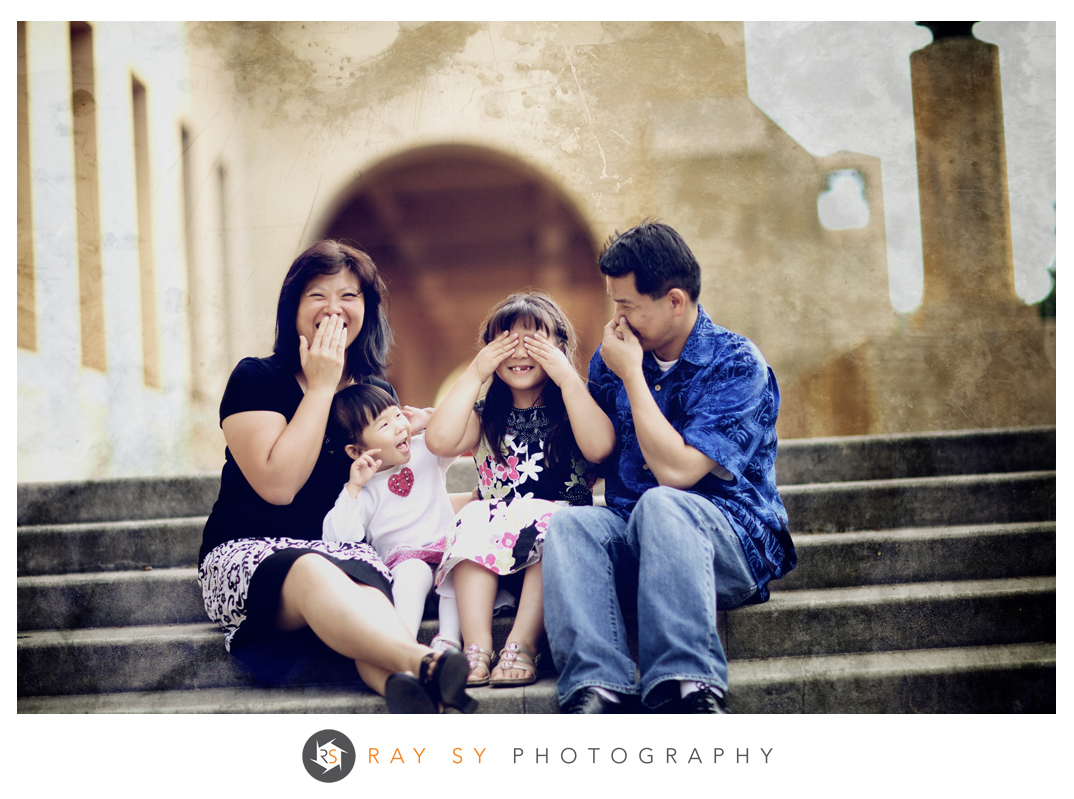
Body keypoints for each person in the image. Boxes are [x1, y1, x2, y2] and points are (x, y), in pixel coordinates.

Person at [197, 240, 475, 714]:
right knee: (312, 570)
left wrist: (477, 504)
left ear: (366, 308)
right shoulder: (256, 379)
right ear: (293, 309)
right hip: (252, 554)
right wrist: (322, 385)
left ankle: (407, 690)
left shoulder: (374, 393)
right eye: (317, 296)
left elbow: (398, 496)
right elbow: (278, 485)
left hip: (347, 549)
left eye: (349, 296)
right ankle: (425, 662)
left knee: (369, 596)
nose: (334, 308)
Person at [542, 221, 796, 714]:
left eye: (628, 306)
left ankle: (684, 687)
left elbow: (677, 474)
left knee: (664, 503)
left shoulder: (737, 363)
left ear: (675, 301)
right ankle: (598, 687)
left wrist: (633, 376)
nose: (618, 319)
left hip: (728, 542)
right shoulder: (609, 361)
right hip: (637, 535)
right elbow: (592, 460)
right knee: (571, 524)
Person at [425, 292, 615, 688]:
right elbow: (439, 440)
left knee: (563, 523)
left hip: (554, 555)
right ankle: (476, 647)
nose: (519, 352)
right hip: (490, 558)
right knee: (474, 513)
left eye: (534, 341)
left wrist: (565, 376)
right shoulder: (485, 416)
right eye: (506, 342)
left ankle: (521, 644)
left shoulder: (577, 405)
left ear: (560, 347)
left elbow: (599, 448)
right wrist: (476, 372)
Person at [321, 383, 466, 651]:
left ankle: (449, 640)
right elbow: (338, 538)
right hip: (405, 564)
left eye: (398, 415)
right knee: (413, 574)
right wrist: (352, 488)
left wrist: (431, 419)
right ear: (355, 451)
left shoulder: (426, 450)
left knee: (460, 569)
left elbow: (460, 433)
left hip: (446, 553)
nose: (400, 426)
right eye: (384, 425)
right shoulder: (364, 488)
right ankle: (403, 644)